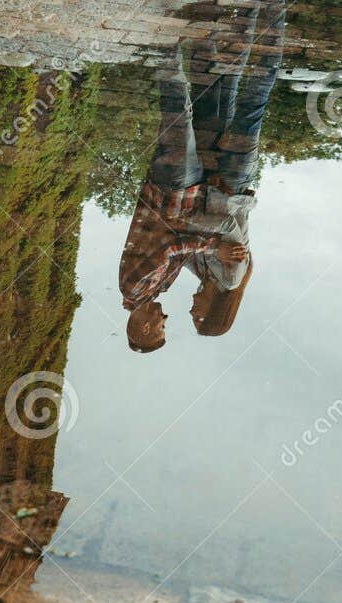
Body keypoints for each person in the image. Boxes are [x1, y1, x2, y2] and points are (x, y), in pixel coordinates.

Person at [119, 0, 284, 351]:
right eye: (196, 316)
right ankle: (263, 9)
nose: (174, 317)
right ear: (212, 312)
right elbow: (207, 235)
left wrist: (201, 236)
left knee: (201, 94)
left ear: (144, 330)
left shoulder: (143, 288)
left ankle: (185, 21)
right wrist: (203, 235)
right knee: (241, 94)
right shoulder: (222, 277)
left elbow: (175, 244)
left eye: (161, 328)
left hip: (185, 187)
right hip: (222, 184)